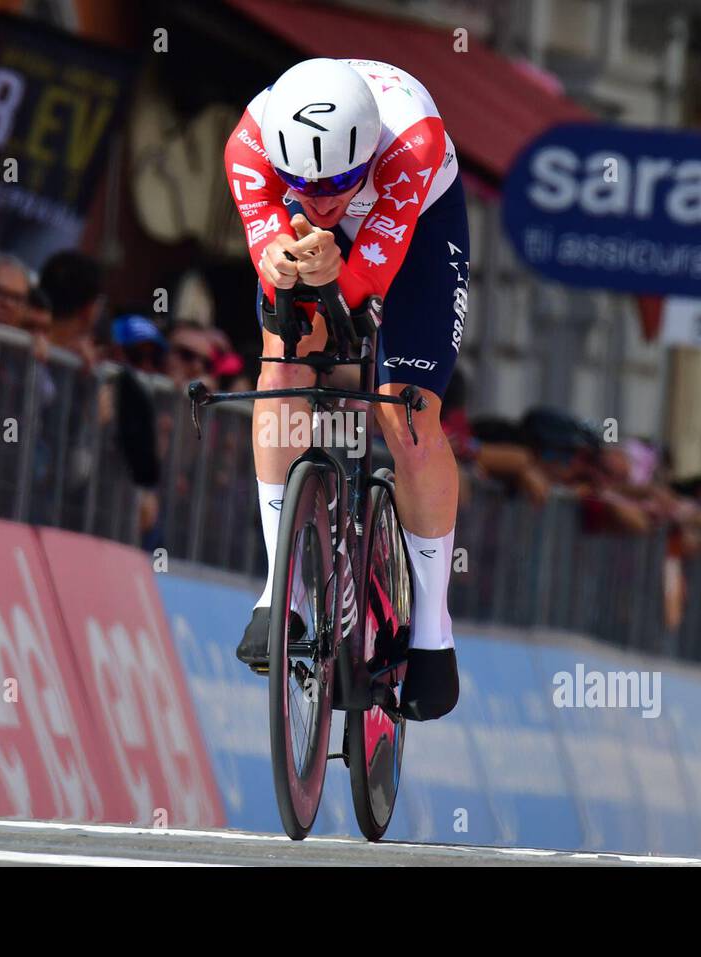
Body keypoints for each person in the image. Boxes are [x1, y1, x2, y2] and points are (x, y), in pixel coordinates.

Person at [224, 58, 466, 720]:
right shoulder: (247, 143)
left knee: (410, 417)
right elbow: (270, 249)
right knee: (281, 367)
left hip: (415, 220)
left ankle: (432, 631)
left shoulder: (411, 141)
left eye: (338, 184)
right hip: (303, 230)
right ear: (279, 161)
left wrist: (344, 275)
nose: (325, 198)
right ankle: (280, 590)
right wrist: (279, 255)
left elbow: (364, 291)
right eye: (305, 183)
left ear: (365, 155)